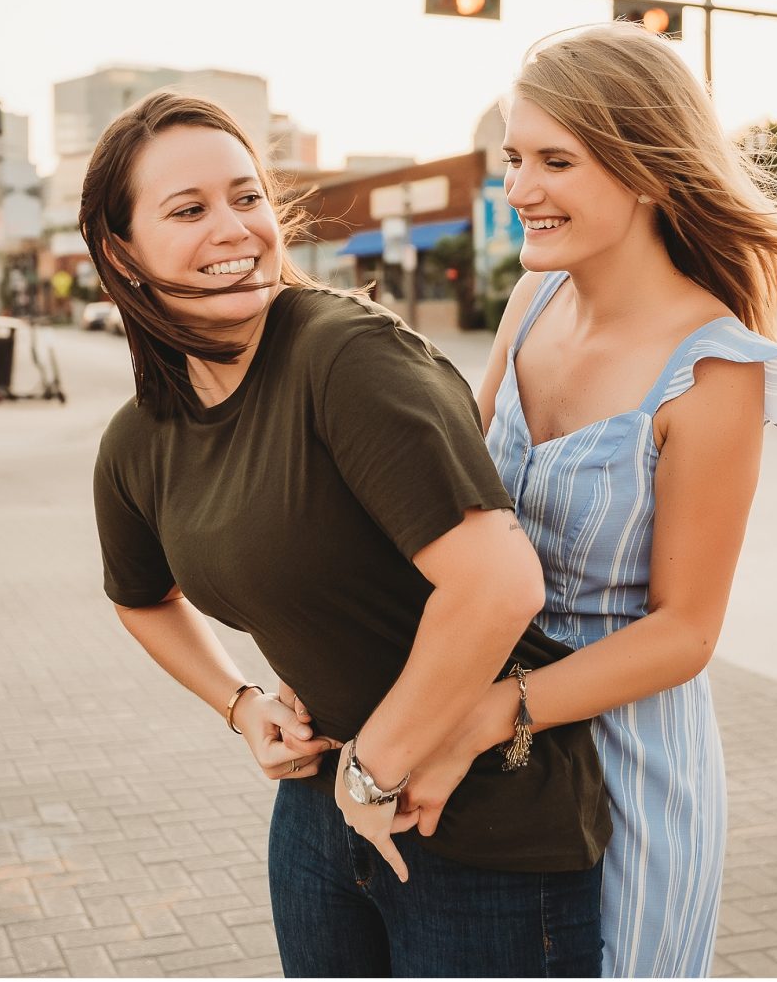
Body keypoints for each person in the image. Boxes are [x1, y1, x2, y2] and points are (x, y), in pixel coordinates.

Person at [394, 23, 777, 979]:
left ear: (648, 171)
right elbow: (456, 510)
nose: (520, 190)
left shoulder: (713, 369)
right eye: (513, 159)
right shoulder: (530, 304)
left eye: (556, 161)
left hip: (627, 767)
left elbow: (686, 631)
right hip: (493, 748)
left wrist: (493, 711)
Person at [85, 91, 612, 977]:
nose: (234, 228)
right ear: (119, 251)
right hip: (321, 816)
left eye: (247, 196)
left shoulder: (345, 355)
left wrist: (376, 769)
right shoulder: (141, 439)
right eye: (188, 210)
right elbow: (141, 597)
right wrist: (242, 706)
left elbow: (499, 584)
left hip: (482, 821)